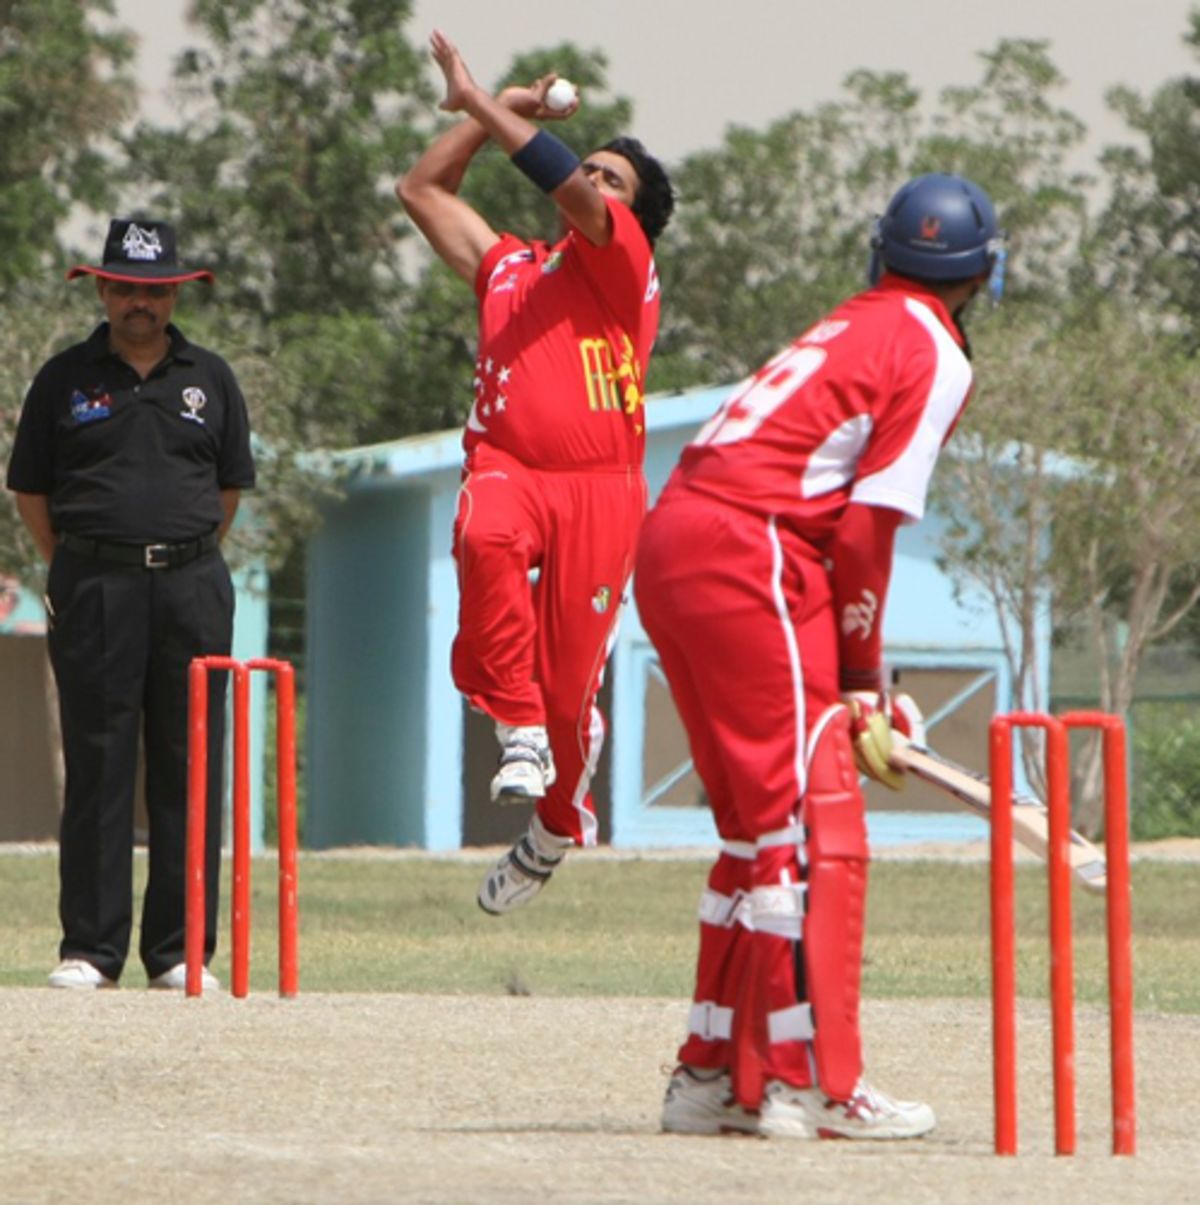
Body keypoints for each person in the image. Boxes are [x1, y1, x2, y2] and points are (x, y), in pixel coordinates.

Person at [634, 173, 1005, 1138]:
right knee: (803, 833)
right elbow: (864, 532)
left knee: (755, 836)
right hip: (754, 550)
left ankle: (710, 1075)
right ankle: (816, 1087)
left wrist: (854, 685)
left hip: (674, 535)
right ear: (983, 275)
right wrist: (862, 684)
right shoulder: (935, 350)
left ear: (882, 254)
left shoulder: (852, 320)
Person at [397, 31, 674, 915]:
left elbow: (556, 178)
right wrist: (493, 113)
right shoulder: (511, 265)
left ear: (633, 212)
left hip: (601, 488)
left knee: (569, 699)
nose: (592, 183)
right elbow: (422, 190)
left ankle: (555, 825)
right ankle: (513, 723)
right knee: (483, 532)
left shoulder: (621, 261)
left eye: (611, 178)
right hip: (511, 465)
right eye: (589, 169)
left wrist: (485, 103)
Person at [6, 218, 255, 990]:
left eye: (153, 290)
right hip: (94, 586)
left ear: (175, 293)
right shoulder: (63, 378)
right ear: (103, 290)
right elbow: (32, 494)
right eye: (124, 288)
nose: (138, 303)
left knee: (189, 766)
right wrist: (89, 565)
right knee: (99, 764)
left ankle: (180, 951)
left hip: (190, 587)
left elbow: (227, 494)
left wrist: (171, 557)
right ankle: (91, 948)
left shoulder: (209, 378)